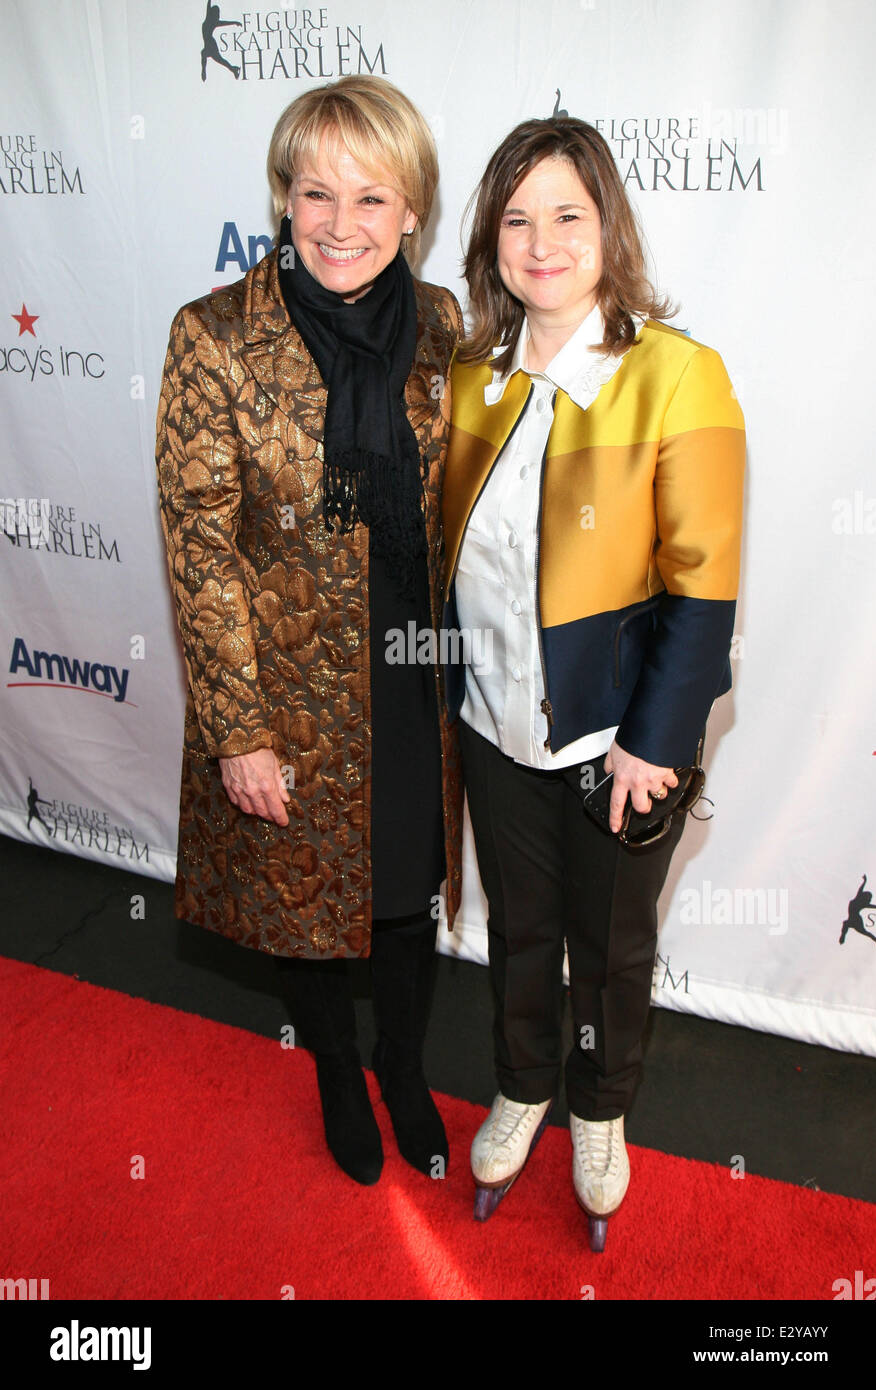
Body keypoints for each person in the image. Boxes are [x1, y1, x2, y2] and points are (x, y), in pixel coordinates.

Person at [155, 76, 464, 1188]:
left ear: (413, 210)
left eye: (371, 198)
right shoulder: (216, 338)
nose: (341, 226)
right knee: (307, 898)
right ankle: (337, 1067)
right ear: (282, 197)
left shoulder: (438, 327)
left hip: (409, 678)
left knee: (401, 890)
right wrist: (237, 729)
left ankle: (403, 1065)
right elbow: (199, 548)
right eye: (315, 193)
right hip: (284, 681)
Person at [442, 116, 745, 1248]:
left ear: (607, 225)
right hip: (491, 731)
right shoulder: (468, 379)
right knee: (520, 930)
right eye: (516, 218)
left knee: (609, 949)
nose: (541, 240)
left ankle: (599, 1108)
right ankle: (523, 1084)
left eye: (566, 213)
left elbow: (702, 586)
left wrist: (654, 740)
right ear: (491, 241)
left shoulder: (676, 375)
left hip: (616, 748)